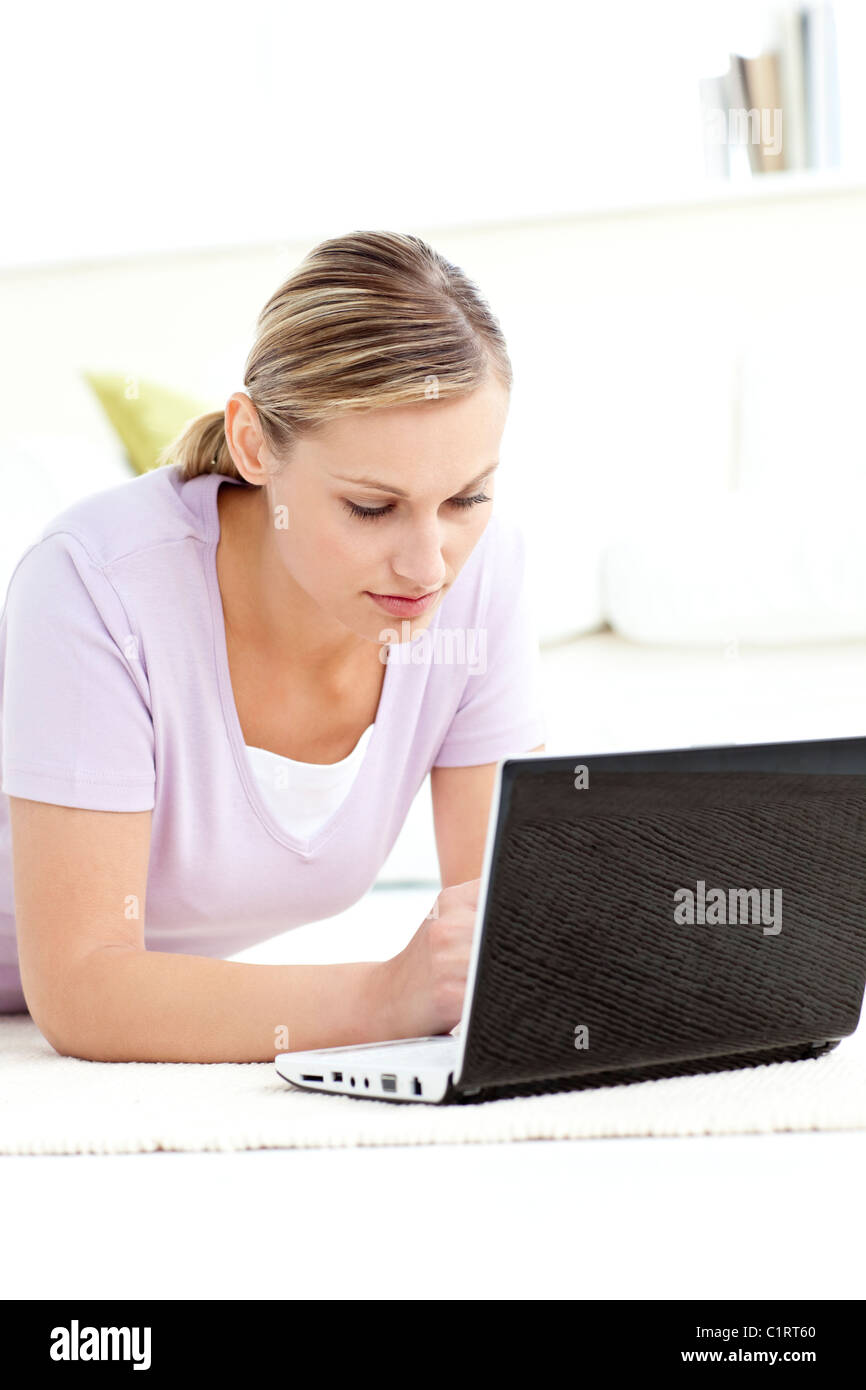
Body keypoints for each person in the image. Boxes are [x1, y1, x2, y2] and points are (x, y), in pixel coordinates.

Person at [0, 230, 546, 1062]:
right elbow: (81, 986)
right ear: (255, 446)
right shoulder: (95, 584)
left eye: (466, 498)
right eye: (372, 507)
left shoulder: (479, 579)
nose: (428, 563)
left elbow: (509, 932)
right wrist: (384, 996)